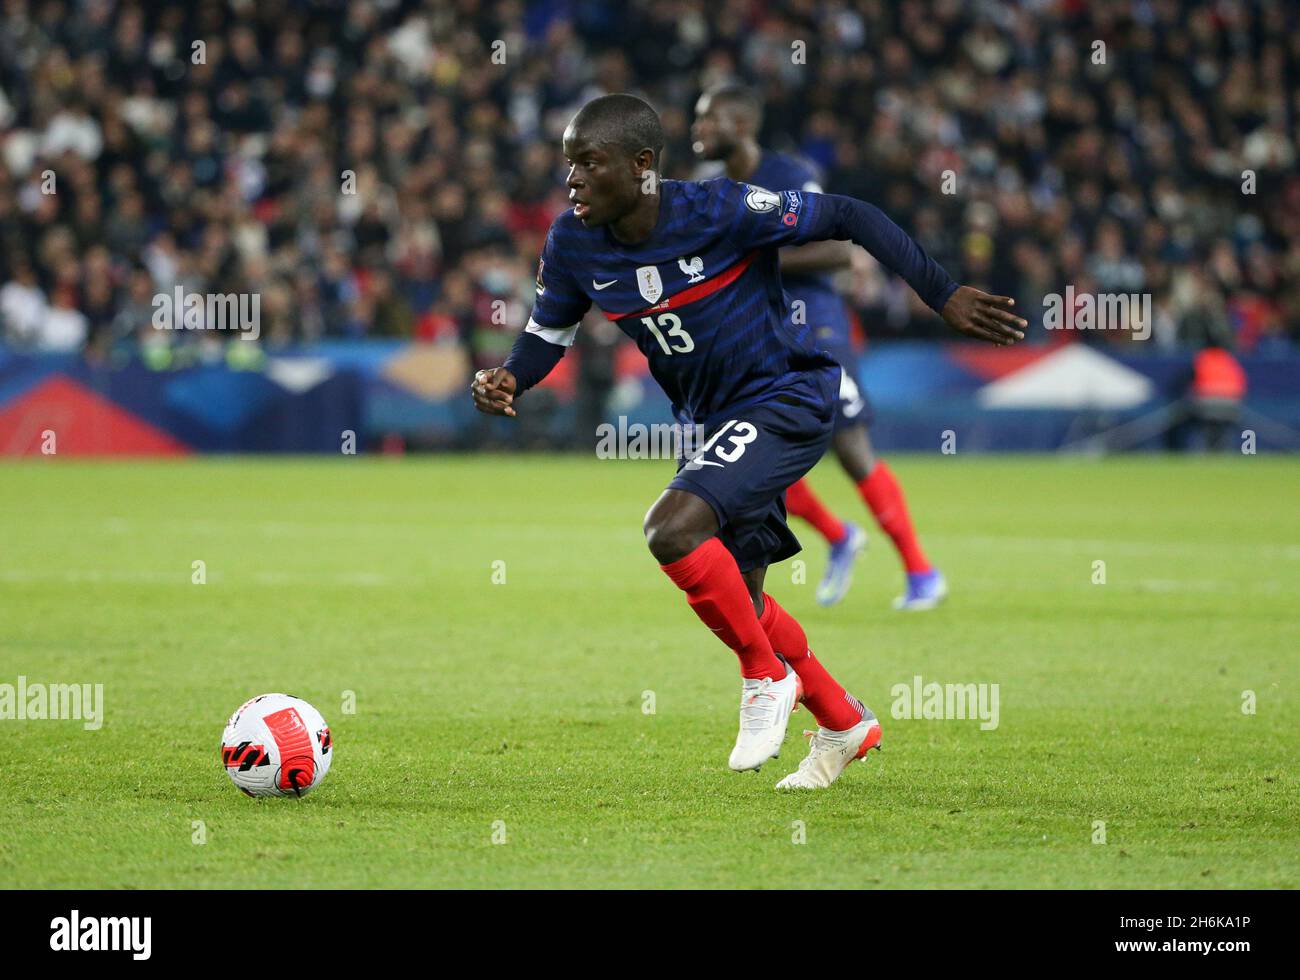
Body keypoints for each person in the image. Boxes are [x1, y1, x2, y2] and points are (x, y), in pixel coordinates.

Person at [471, 94, 1025, 789]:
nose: (572, 179)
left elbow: (849, 216)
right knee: (746, 599)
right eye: (568, 165)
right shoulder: (573, 243)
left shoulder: (720, 209)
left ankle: (766, 678)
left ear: (641, 165)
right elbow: (546, 335)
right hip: (706, 422)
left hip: (784, 395)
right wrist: (509, 380)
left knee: (670, 531)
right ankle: (843, 721)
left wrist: (941, 295)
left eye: (589, 163)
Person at [692, 85, 944, 609]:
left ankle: (922, 572)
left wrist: (748, 260)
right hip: (751, 333)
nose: (697, 130)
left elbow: (836, 250)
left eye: (707, 119)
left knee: (850, 447)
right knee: (753, 459)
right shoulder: (704, 187)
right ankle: (839, 536)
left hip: (814, 326)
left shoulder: (788, 176)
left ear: (741, 123)